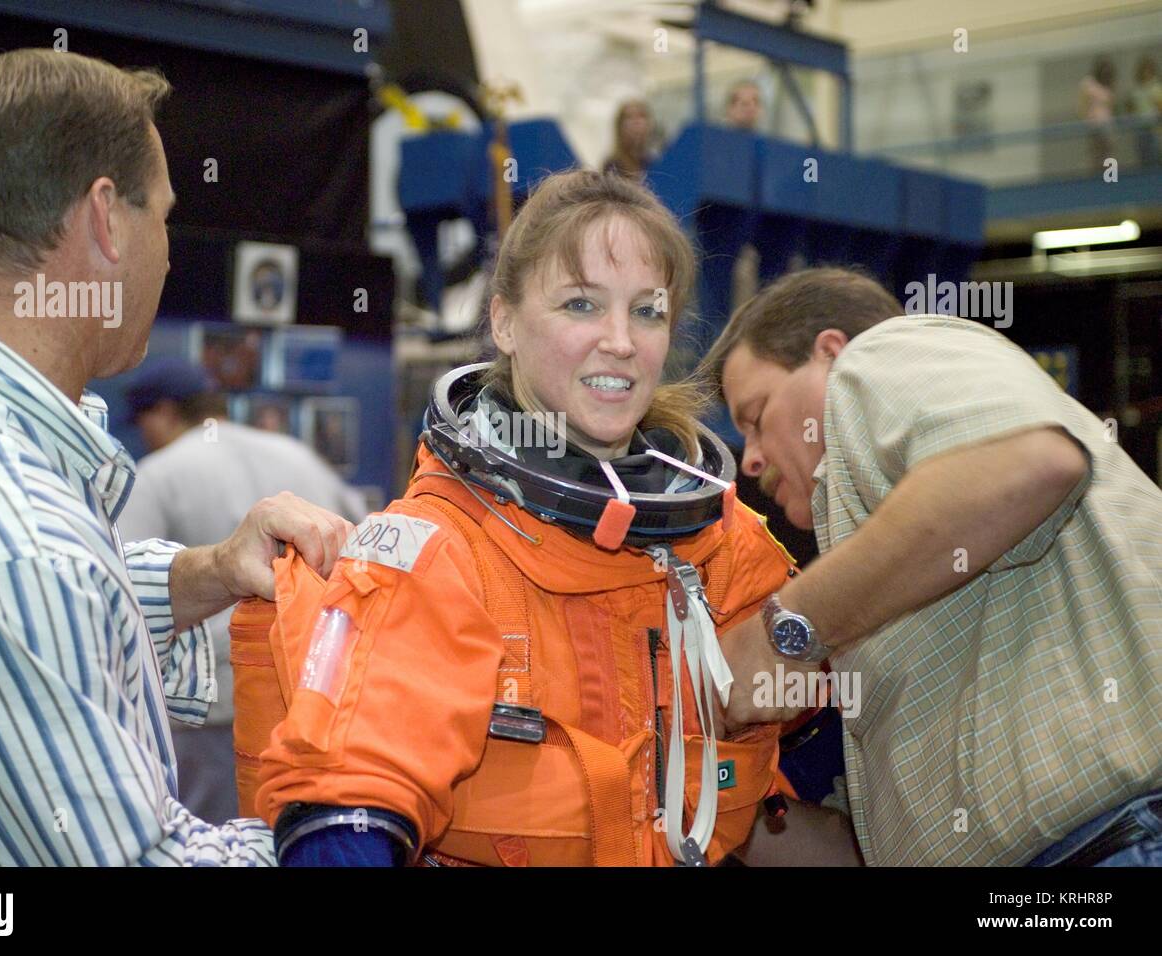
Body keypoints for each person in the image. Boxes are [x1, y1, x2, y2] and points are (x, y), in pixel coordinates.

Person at [246, 170, 863, 867]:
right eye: (581, 304)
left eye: (648, 311)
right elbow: (350, 802)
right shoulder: (442, 552)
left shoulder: (727, 553)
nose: (621, 342)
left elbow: (843, 774)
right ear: (504, 321)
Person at [0, 49, 353, 865]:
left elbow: (53, 612)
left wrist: (207, 574)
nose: (166, 250)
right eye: (161, 214)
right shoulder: (11, 554)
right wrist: (357, 833)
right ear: (103, 220)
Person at [706, 267, 1162, 866]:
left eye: (757, 416)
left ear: (830, 353)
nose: (752, 460)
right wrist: (712, 790)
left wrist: (781, 634)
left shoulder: (883, 356)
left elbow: (1031, 462)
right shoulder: (890, 570)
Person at [117, 357, 366, 823]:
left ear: (165, 413)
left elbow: (121, 588)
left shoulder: (159, 472)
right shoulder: (296, 453)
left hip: (212, 709)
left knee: (213, 838)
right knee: (297, 834)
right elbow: (362, 536)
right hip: (317, 695)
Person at [601, 99, 657, 180]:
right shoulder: (612, 166)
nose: (636, 122)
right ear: (619, 126)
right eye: (629, 117)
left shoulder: (653, 161)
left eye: (641, 116)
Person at [1080, 56, 1117, 173]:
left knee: (1108, 151)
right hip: (1093, 124)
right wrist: (1086, 119)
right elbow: (1082, 104)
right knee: (1096, 153)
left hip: (1107, 123)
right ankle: (1095, 176)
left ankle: (1110, 177)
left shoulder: (1108, 85)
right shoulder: (1088, 83)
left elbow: (1111, 105)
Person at [1128, 55, 1162, 168]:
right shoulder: (1137, 90)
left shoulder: (1155, 87)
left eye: (1149, 70)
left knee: (1154, 153)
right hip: (1140, 127)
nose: (1146, 73)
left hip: (1153, 128)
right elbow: (1132, 107)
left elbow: (1159, 106)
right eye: (1144, 70)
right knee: (1143, 154)